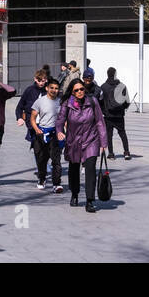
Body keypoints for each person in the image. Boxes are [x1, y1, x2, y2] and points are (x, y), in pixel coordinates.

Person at [55, 78, 108, 211]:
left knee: (90, 168)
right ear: (72, 92)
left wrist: (104, 142)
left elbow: (100, 122)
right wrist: (59, 131)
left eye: (82, 89)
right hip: (73, 141)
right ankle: (74, 194)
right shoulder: (67, 103)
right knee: (74, 169)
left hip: (91, 139)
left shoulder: (92, 101)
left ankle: (90, 200)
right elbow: (60, 119)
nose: (80, 92)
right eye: (76, 90)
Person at [29, 78, 64, 191]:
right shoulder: (40, 101)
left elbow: (64, 119)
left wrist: (66, 132)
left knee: (56, 160)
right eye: (52, 88)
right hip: (42, 133)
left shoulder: (60, 102)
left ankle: (57, 184)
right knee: (41, 159)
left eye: (56, 88)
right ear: (47, 88)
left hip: (56, 133)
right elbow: (33, 118)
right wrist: (36, 129)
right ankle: (42, 178)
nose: (54, 90)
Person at [16, 69, 51, 174]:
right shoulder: (29, 90)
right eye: (39, 80)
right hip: (33, 124)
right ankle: (40, 165)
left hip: (47, 123)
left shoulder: (49, 90)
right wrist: (19, 118)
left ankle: (45, 162)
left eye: (43, 80)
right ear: (35, 79)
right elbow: (19, 106)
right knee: (37, 147)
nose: (41, 83)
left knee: (48, 146)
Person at [100, 67, 132, 160]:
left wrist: (104, 111)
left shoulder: (103, 86)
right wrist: (123, 108)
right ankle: (126, 152)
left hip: (108, 115)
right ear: (115, 74)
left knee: (109, 135)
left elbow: (101, 101)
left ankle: (111, 154)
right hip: (119, 115)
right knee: (122, 133)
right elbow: (127, 101)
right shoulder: (122, 86)